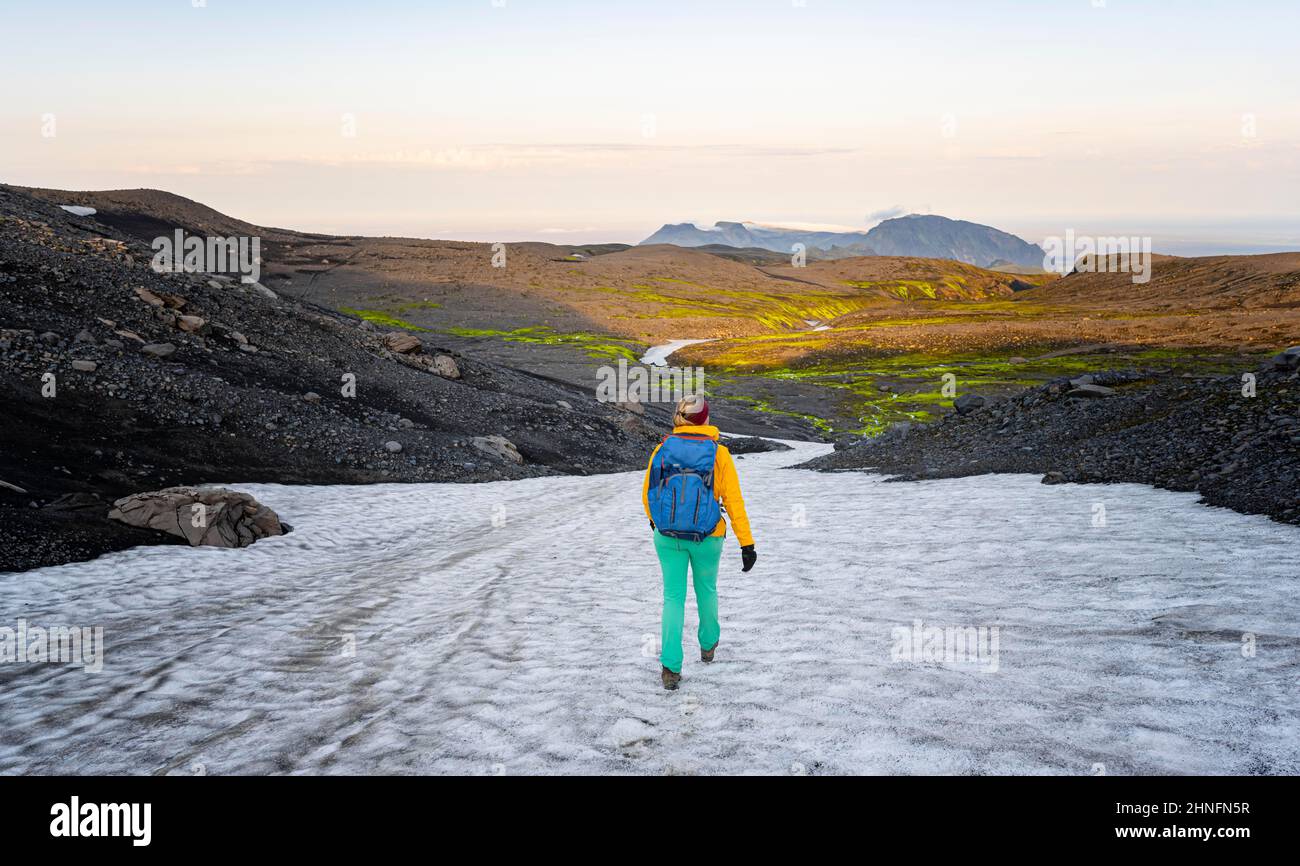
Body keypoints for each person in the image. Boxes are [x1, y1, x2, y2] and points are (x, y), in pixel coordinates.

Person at [643, 394, 756, 690]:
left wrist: (658, 523)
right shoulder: (719, 453)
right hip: (708, 536)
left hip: (667, 538)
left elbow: (648, 494)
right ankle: (708, 646)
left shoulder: (663, 448)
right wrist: (747, 543)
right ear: (705, 419)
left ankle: (670, 667)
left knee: (673, 598)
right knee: (706, 589)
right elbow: (733, 501)